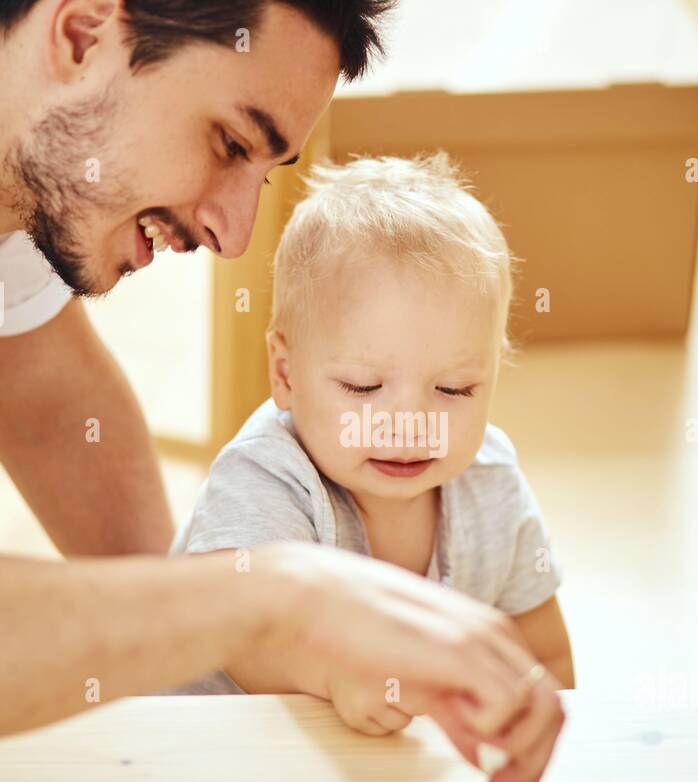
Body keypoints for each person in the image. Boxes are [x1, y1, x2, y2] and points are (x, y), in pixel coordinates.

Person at [0, 0, 563, 782]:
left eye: (262, 172)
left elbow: (52, 409)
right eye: (229, 142)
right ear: (81, 31)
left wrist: (195, 672)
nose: (235, 233)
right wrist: (272, 601)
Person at [173, 155, 575, 737]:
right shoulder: (265, 476)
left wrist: (530, 728)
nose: (408, 423)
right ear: (285, 374)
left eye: (454, 388)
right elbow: (241, 627)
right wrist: (334, 673)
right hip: (214, 756)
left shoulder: (490, 484)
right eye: (363, 388)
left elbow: (545, 660)